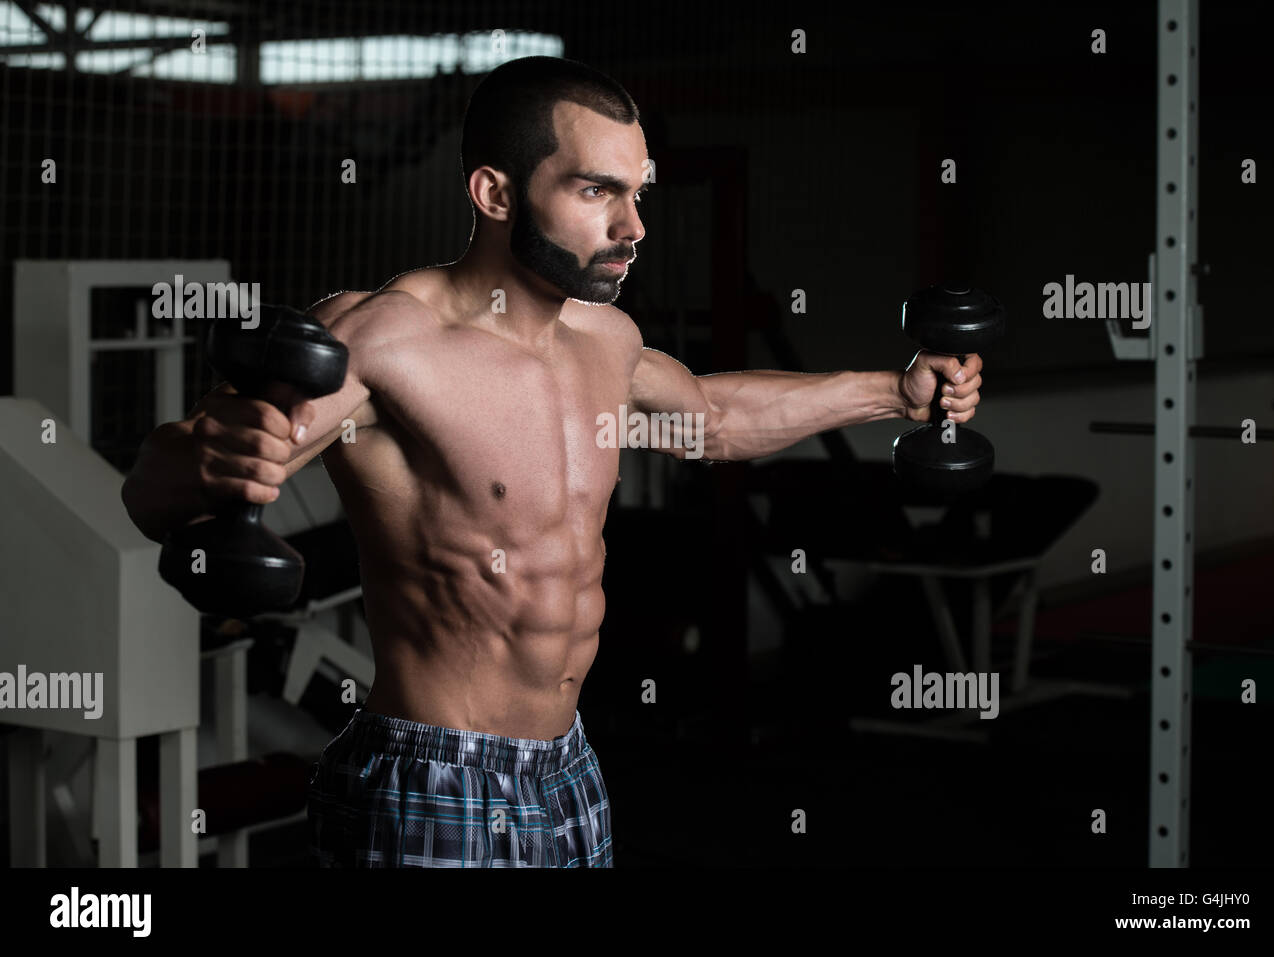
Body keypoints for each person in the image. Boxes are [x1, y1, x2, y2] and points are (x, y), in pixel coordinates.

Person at [121, 55, 983, 867]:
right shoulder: (389, 340)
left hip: (569, 767)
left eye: (639, 193)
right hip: (434, 779)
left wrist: (892, 394)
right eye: (597, 191)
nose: (633, 226)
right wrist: (217, 453)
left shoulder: (602, 340)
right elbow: (162, 491)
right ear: (495, 192)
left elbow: (711, 417)